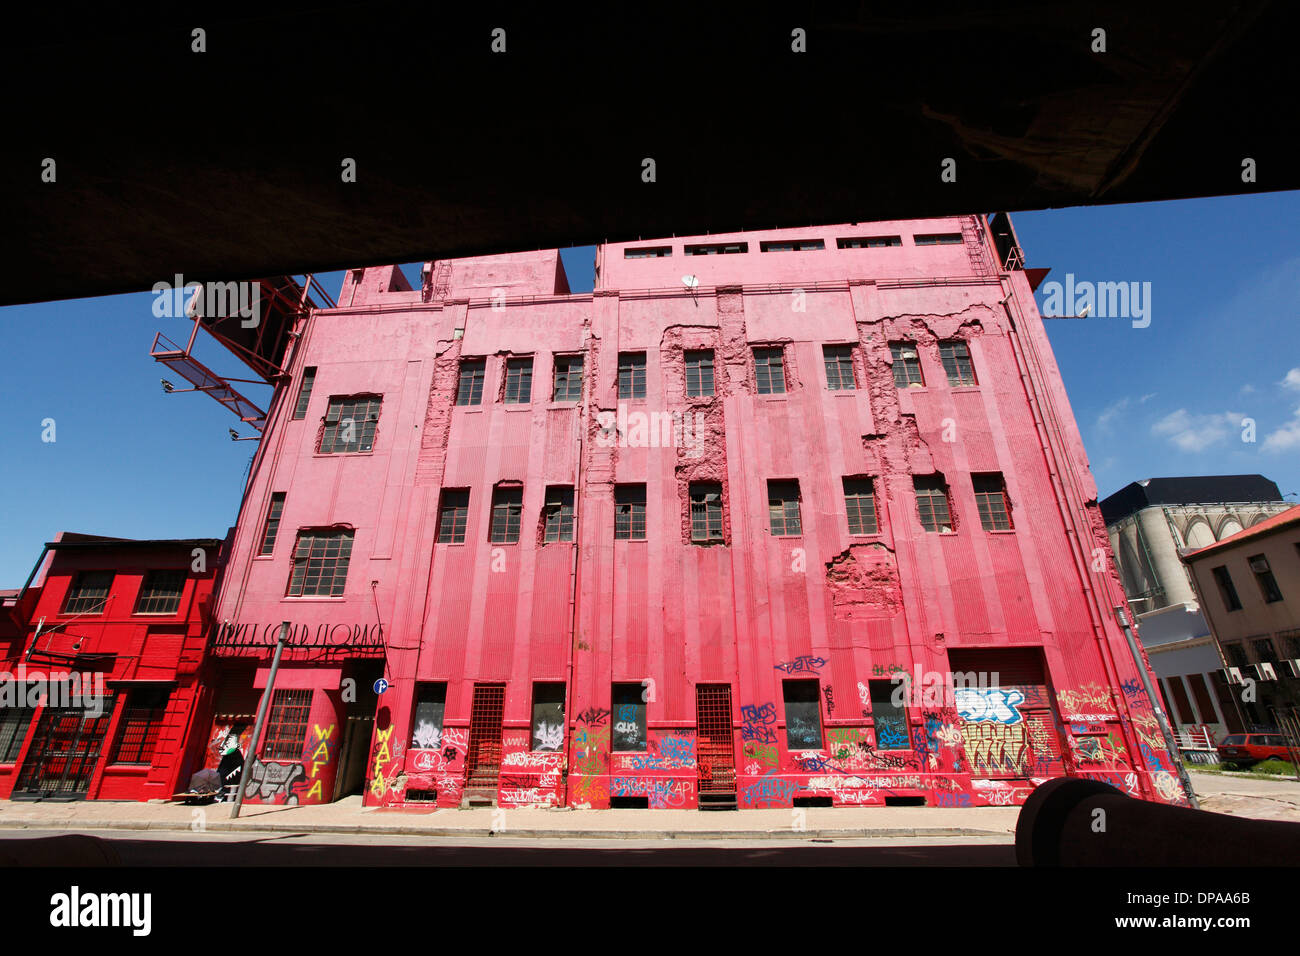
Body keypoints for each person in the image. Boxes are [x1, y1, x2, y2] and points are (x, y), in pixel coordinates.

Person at [217, 735, 244, 802]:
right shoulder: (230, 752)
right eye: (227, 740)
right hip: (228, 775)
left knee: (227, 784)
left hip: (230, 775)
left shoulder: (233, 752)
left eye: (229, 740)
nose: (227, 742)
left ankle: (223, 796)